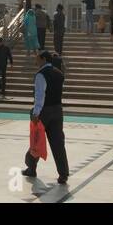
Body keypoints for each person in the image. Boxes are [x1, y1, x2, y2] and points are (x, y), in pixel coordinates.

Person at [22, 51, 69, 185]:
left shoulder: (41, 74)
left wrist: (36, 113)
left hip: (44, 111)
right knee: (58, 143)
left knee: (36, 140)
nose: (35, 60)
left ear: (43, 59)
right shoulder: (59, 74)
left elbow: (40, 96)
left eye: (37, 58)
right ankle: (63, 174)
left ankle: (31, 168)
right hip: (57, 110)